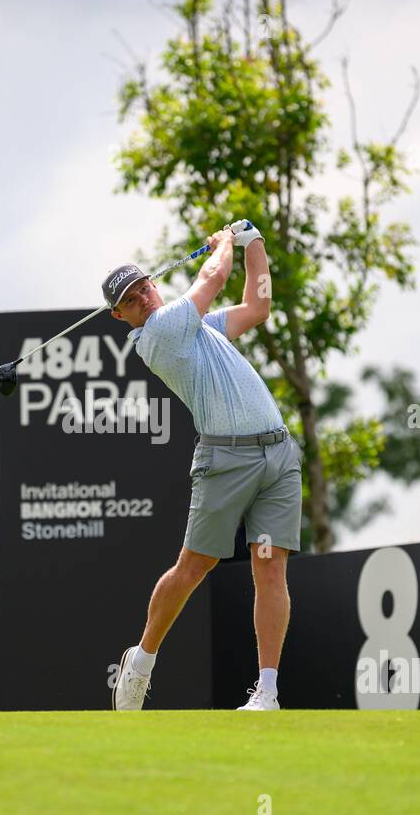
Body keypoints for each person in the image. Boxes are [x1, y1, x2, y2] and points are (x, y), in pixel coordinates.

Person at [103, 220, 300, 711]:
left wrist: (255, 246)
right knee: (194, 567)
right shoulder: (159, 333)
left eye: (143, 286)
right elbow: (212, 278)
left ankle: (268, 692)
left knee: (270, 570)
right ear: (120, 315)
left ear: (153, 282)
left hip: (277, 453)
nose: (142, 297)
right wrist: (228, 240)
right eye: (129, 299)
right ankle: (142, 661)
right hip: (225, 458)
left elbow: (258, 307)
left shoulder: (197, 328)